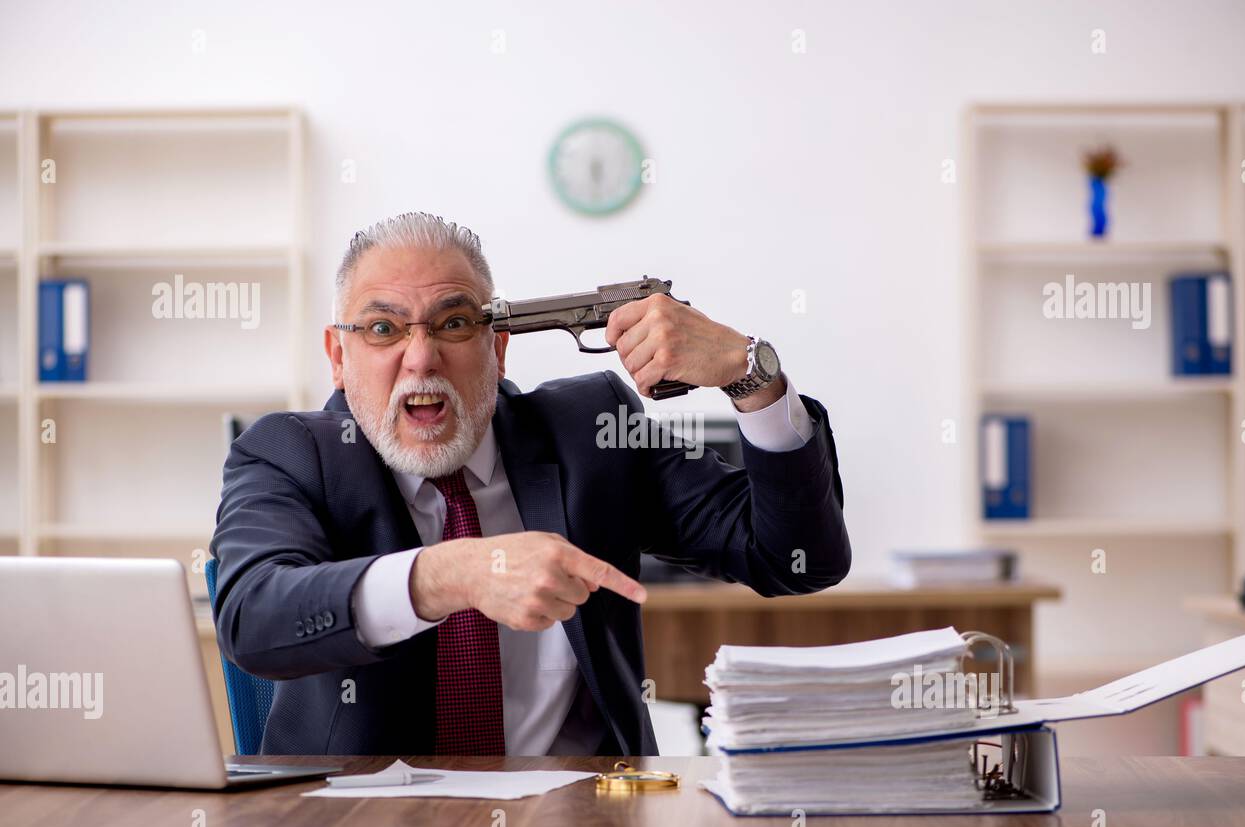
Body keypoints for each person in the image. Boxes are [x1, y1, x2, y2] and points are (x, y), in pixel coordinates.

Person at [211, 212, 851, 756]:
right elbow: (252, 618)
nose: (421, 356)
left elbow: (796, 560)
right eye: (382, 329)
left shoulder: (590, 431)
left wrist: (751, 378)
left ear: (498, 349)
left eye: (454, 323)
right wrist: (450, 574)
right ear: (338, 357)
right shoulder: (288, 453)